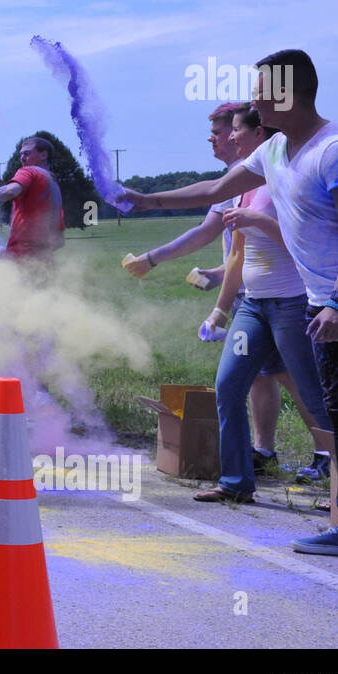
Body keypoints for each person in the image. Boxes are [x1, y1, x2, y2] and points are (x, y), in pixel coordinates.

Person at [121, 49, 338, 557]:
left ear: (290, 95)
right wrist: (145, 201)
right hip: (322, 302)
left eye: (262, 93)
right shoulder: (271, 153)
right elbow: (216, 189)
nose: (253, 103)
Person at [122, 102, 294, 474]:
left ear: (249, 136)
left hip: (273, 296)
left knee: (289, 377)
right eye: (220, 131)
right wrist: (219, 276)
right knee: (262, 375)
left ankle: (327, 456)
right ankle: (260, 455)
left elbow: (216, 233)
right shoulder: (242, 180)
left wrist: (152, 256)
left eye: (224, 131)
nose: (218, 138)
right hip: (249, 294)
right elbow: (236, 250)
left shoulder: (254, 178)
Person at [193, 105, 333, 503]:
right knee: (229, 385)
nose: (231, 136)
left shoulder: (285, 178)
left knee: (312, 392)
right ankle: (236, 482)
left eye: (237, 130)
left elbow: (304, 241)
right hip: (253, 307)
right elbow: (236, 255)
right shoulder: (243, 184)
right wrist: (221, 310)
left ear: (260, 134)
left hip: (291, 304)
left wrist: (257, 222)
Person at [0, 136, 64, 261]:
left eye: (27, 154)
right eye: (21, 155)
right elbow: (59, 240)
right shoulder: (54, 187)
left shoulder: (29, 171)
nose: (22, 158)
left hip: (21, 259)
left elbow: (10, 191)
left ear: (44, 155)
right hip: (46, 262)